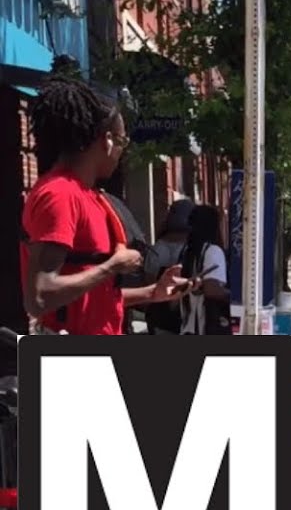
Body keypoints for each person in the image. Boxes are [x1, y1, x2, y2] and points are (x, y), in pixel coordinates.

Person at [20, 72, 190, 335]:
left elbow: (93, 295)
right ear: (107, 141)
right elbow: (39, 296)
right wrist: (112, 266)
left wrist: (152, 293)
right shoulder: (59, 195)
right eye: (122, 141)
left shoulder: (90, 196)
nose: (123, 150)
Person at [143, 199, 195, 334]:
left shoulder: (157, 248)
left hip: (159, 317)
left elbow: (149, 281)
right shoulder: (193, 249)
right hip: (185, 317)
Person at [178, 204, 232, 335]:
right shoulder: (213, 251)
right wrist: (233, 296)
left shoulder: (187, 251)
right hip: (205, 326)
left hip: (187, 326)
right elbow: (211, 289)